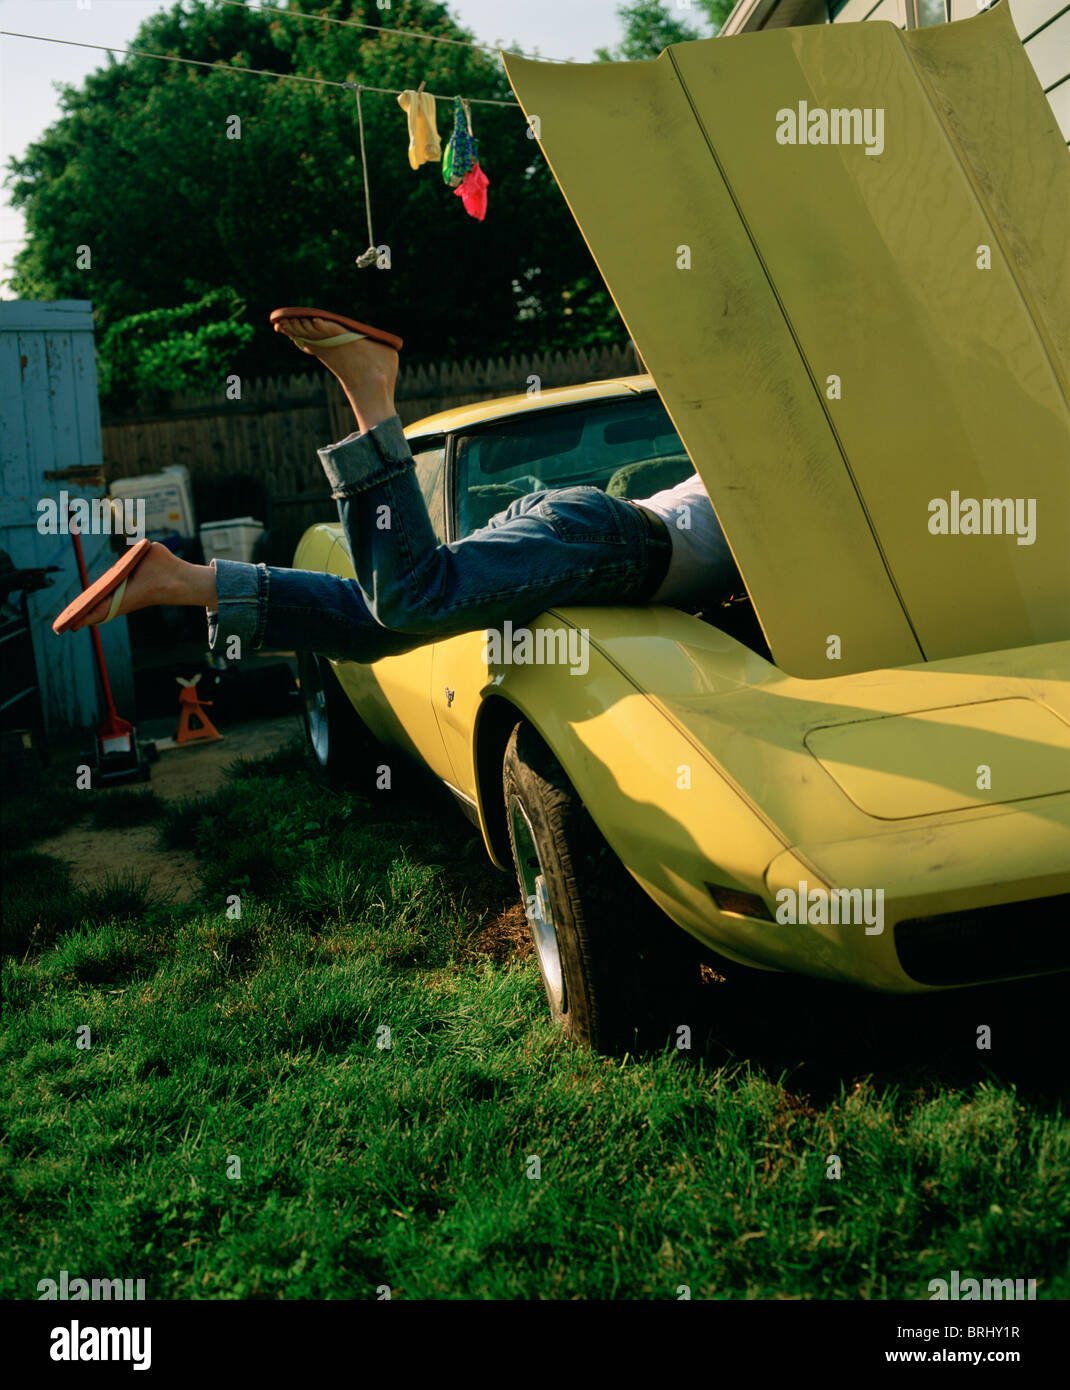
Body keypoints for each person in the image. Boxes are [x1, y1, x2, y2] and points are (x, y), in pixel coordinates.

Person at [52, 311, 741, 659]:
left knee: (385, 617)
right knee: (415, 596)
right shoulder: (776, 485)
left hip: (598, 538)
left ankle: (182, 581)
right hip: (619, 544)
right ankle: (372, 391)